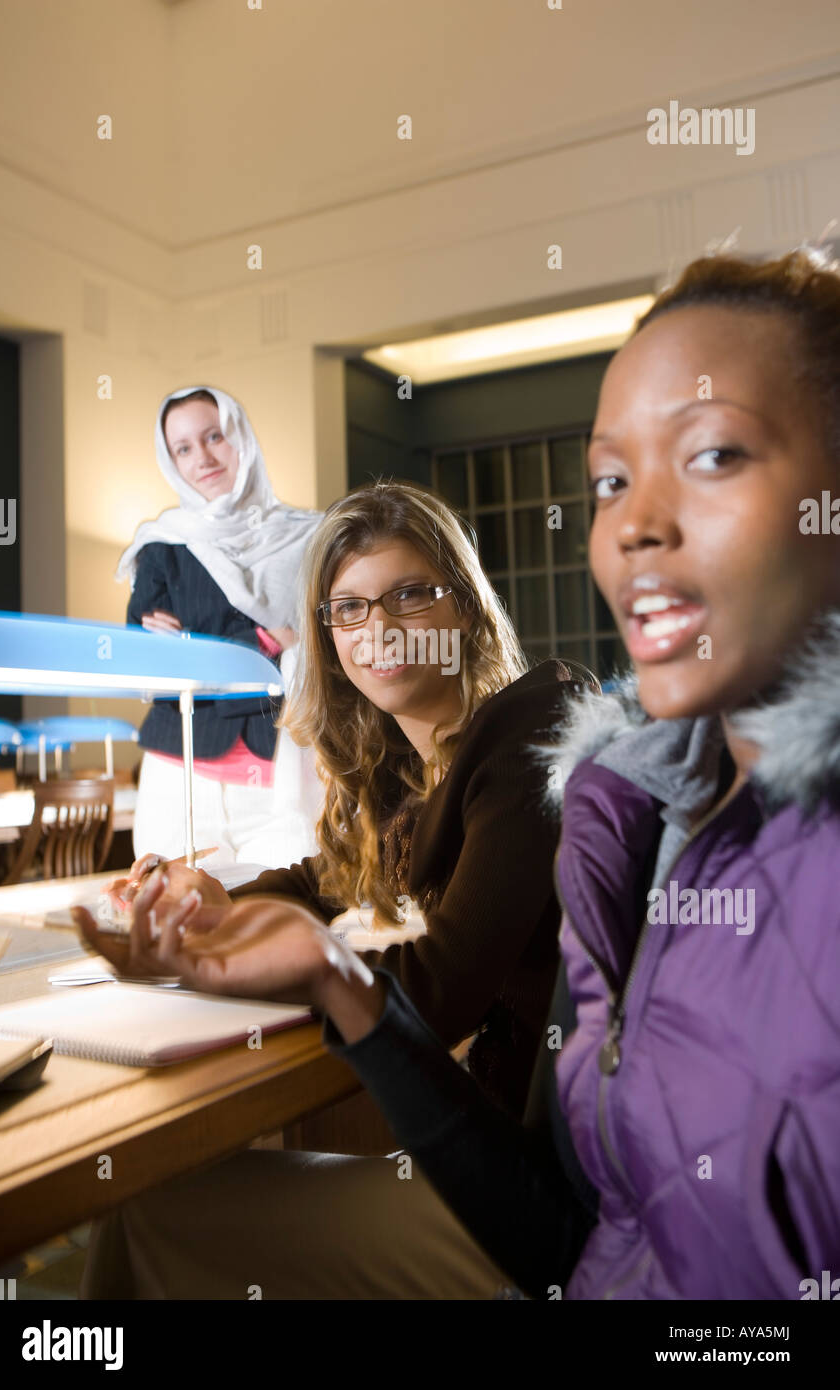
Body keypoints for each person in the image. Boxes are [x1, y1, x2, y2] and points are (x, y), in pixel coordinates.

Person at [75, 480, 598, 1299]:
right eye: (347, 609)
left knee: (145, 1218)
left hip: (542, 1207)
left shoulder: (529, 727)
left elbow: (437, 994)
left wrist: (268, 955)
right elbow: (320, 885)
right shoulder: (405, 777)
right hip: (474, 1156)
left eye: (409, 596)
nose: (378, 629)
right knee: (148, 1208)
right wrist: (214, 899)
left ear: (463, 606)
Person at [117, 386, 322, 867]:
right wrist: (266, 640)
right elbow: (147, 662)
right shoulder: (162, 544)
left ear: (242, 437)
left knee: (279, 920)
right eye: (183, 449)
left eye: (214, 437)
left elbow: (325, 637)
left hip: (279, 776)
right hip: (179, 774)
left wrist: (196, 647)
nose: (202, 458)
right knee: (175, 924)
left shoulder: (311, 536)